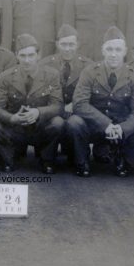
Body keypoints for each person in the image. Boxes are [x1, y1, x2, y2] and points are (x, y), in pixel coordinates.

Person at [70, 26, 134, 177]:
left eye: (118, 50)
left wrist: (123, 128)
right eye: (109, 49)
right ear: (103, 50)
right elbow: (79, 103)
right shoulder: (90, 72)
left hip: (121, 129)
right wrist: (105, 124)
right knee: (74, 122)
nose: (114, 54)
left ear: (125, 51)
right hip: (95, 126)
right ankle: (82, 162)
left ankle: (126, 162)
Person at [0, 34, 64, 174]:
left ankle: (47, 160)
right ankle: (9, 159)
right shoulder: (6, 76)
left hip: (40, 129)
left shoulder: (51, 75)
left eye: (31, 55)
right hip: (17, 129)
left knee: (58, 122)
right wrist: (12, 118)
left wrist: (38, 112)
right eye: (22, 56)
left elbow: (58, 106)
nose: (27, 60)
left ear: (38, 55)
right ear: (16, 55)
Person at [40, 24, 94, 173]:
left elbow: (91, 94)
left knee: (75, 123)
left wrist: (75, 104)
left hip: (76, 111)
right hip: (53, 110)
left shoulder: (88, 65)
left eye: (71, 44)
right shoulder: (44, 64)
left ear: (77, 44)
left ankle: (80, 160)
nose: (67, 48)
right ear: (57, 44)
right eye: (64, 44)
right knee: (55, 122)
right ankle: (48, 160)